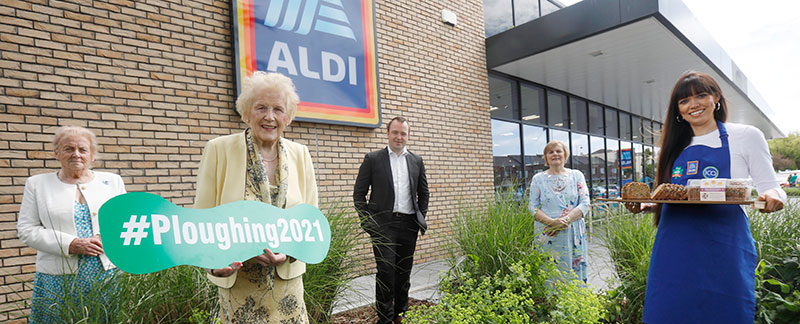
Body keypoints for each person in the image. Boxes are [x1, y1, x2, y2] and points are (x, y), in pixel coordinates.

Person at [641, 71, 785, 323]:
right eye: (684, 100)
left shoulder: (746, 135)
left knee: (724, 312)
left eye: (701, 95)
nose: (693, 104)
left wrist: (773, 196)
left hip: (724, 246)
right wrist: (650, 204)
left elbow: (771, 186)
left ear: (716, 98)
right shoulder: (674, 146)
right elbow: (669, 195)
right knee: (669, 312)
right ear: (678, 109)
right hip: (675, 248)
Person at [195, 71, 318, 323]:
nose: (270, 117)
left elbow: (311, 221)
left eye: (278, 109)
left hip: (287, 286)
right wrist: (214, 264)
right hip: (239, 284)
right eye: (261, 107)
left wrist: (289, 252)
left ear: (288, 116)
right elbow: (201, 221)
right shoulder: (219, 150)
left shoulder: (300, 154)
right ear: (247, 112)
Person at [17, 126, 127, 322]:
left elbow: (124, 220)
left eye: (82, 149)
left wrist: (105, 236)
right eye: (68, 149)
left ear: (92, 155)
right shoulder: (37, 184)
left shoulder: (113, 181)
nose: (76, 154)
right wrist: (71, 244)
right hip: (57, 277)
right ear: (56, 153)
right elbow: (27, 230)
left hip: (106, 273)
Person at [353, 116, 429, 324]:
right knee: (386, 273)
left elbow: (424, 193)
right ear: (388, 133)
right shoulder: (373, 159)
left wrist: (419, 218)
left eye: (403, 133)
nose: (399, 137)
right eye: (395, 132)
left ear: (408, 136)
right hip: (383, 226)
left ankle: (399, 314)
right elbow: (359, 194)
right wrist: (369, 223)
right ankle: (385, 318)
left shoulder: (416, 161)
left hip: (408, 226)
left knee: (404, 272)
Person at [528, 140, 590, 282]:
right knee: (550, 272)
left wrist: (565, 221)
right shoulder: (538, 179)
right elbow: (533, 207)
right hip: (548, 232)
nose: (555, 154)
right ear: (546, 157)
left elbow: (585, 203)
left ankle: (577, 302)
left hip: (573, 232)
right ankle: (551, 303)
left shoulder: (577, 175)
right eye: (551, 152)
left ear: (565, 155)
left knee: (574, 275)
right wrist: (552, 222)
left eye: (558, 151)